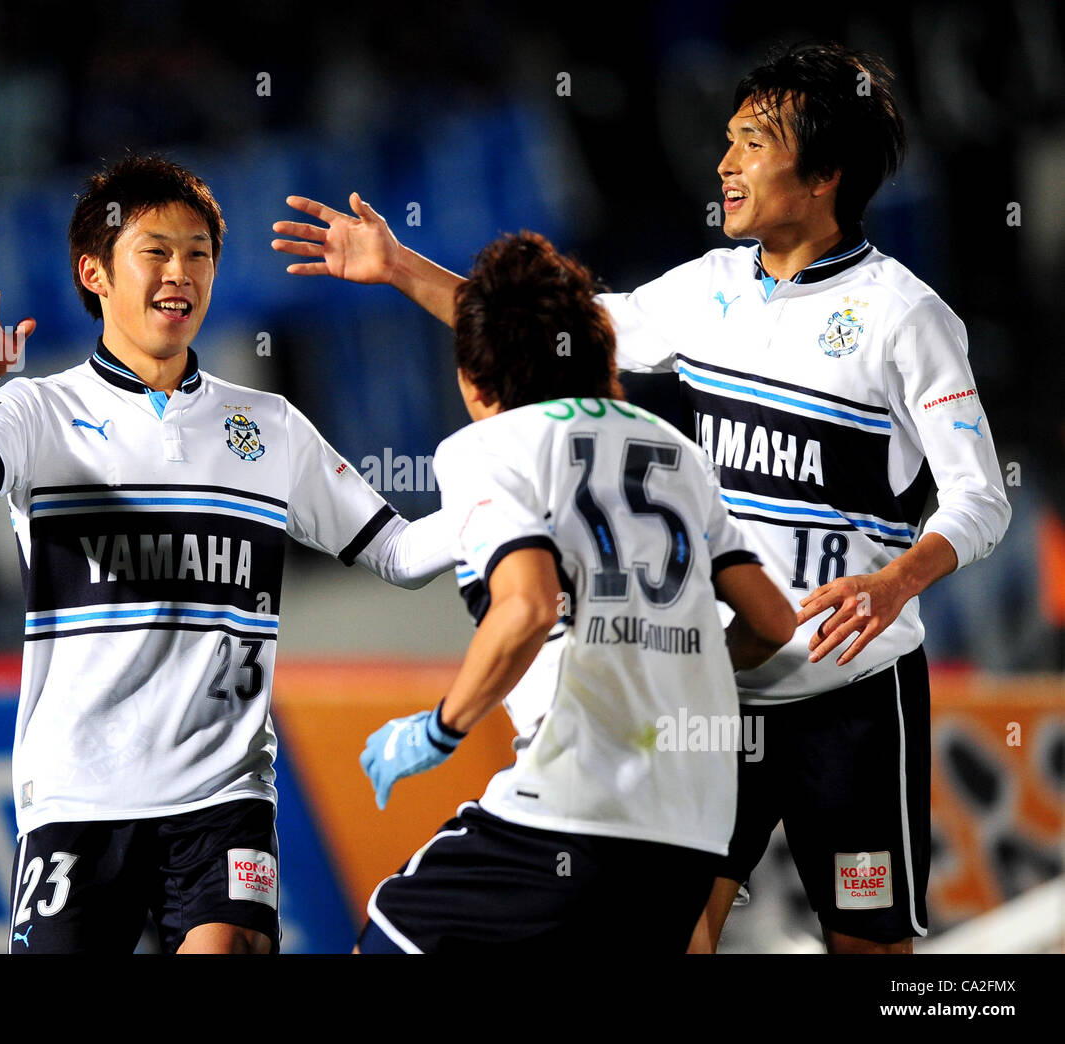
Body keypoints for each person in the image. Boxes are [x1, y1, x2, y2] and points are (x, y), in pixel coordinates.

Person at [272, 42, 1011, 954]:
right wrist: (398, 268)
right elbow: (542, 336)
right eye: (729, 141)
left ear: (824, 173)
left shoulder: (907, 318)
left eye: (751, 143)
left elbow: (982, 500)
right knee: (673, 937)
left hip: (852, 694)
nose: (724, 164)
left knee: (868, 953)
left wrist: (897, 583)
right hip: (717, 691)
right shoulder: (704, 292)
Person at [0, 155, 452, 954]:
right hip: (79, 796)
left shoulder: (267, 425)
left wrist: (508, 492)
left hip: (223, 794)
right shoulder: (39, 410)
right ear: (94, 272)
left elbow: (402, 553)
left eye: (198, 253)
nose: (180, 273)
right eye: (155, 252)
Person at [350, 230, 794, 952]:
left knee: (390, 939)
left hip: (571, 810)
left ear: (472, 382)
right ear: (600, 354)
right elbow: (773, 621)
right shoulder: (676, 452)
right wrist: (680, 656)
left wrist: (438, 729)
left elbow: (526, 606)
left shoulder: (485, 449)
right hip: (694, 832)